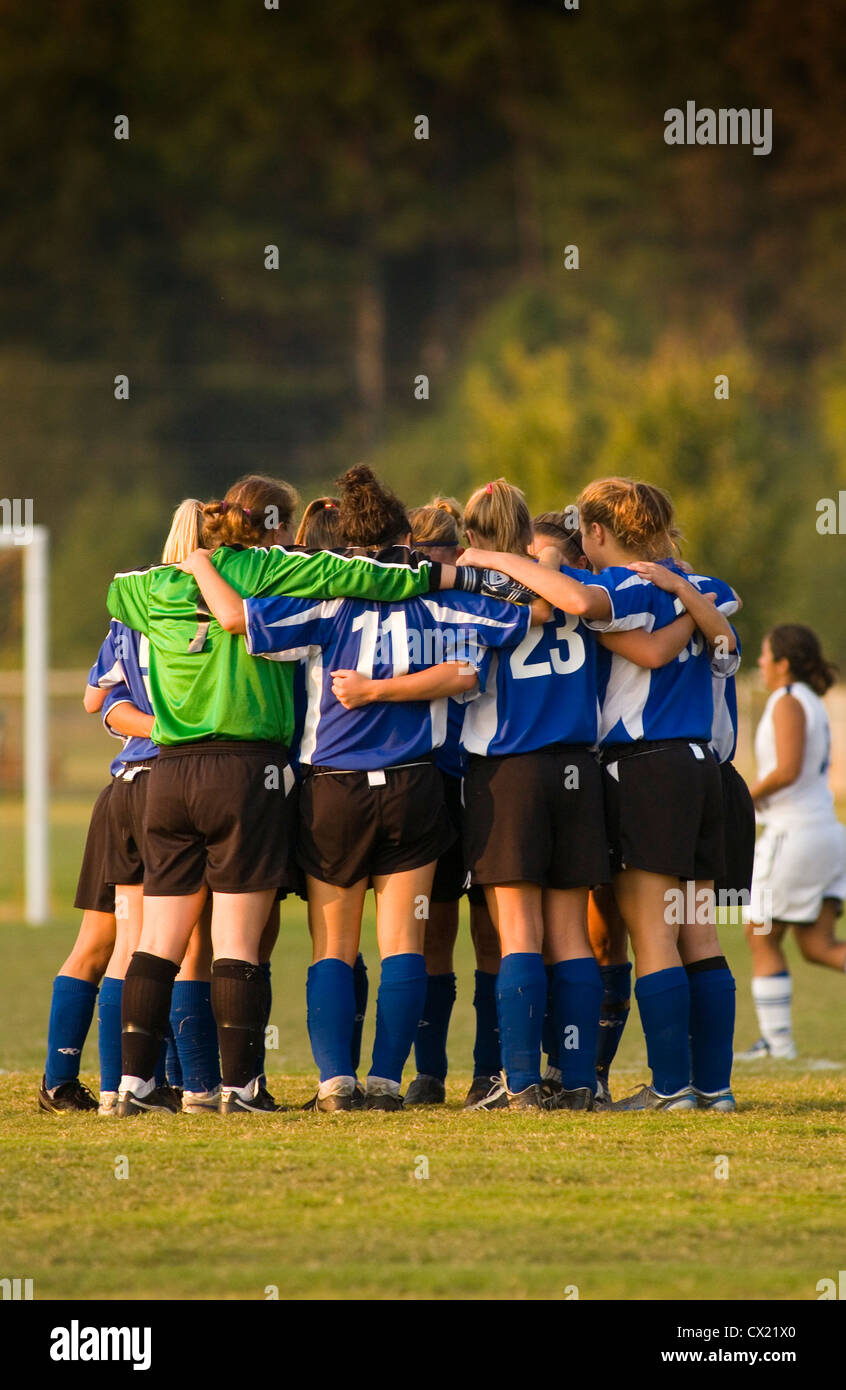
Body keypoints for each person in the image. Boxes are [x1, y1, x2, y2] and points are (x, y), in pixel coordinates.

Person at [109, 471, 466, 1116]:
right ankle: (262, 1088)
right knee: (251, 942)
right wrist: (458, 574)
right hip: (260, 772)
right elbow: (369, 588)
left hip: (176, 771)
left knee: (160, 940)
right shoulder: (277, 571)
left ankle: (136, 1087)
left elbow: (119, 590)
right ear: (267, 530)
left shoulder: (153, 586)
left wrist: (191, 564)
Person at [188, 466, 539, 1111]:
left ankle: (335, 1084)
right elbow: (525, 610)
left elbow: (238, 622)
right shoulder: (447, 604)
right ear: (404, 536)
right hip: (416, 784)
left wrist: (201, 561)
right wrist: (467, 569)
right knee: (404, 943)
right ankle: (385, 1081)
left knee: (335, 945)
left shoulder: (325, 596)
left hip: (334, 791)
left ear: (343, 545)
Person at [460, 477, 741, 1111]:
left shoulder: (615, 588)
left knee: (653, 937)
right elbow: (710, 639)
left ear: (596, 532)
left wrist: (502, 560)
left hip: (646, 768)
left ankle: (670, 1088)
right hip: (706, 769)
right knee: (700, 933)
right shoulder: (706, 590)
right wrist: (685, 592)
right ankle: (713, 1088)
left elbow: (587, 611)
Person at [738, 625, 846, 1061]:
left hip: (795, 834)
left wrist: (742, 799)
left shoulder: (788, 702)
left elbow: (788, 770)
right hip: (823, 831)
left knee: (760, 933)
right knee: (817, 946)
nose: (761, 664)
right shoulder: (810, 702)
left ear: (783, 663)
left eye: (765, 657)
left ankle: (777, 1045)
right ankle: (776, 1042)